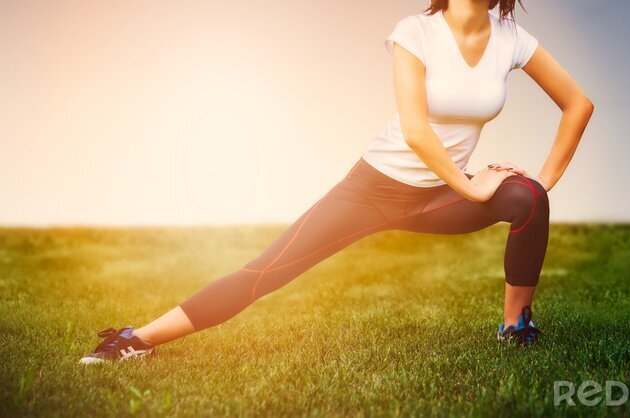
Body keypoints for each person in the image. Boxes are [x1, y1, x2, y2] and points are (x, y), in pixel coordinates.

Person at [79, 0, 593, 364]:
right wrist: (470, 184)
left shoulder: (512, 39)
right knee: (267, 272)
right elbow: (416, 131)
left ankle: (514, 328)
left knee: (527, 199)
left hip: (438, 196)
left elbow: (578, 104)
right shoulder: (416, 32)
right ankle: (134, 340)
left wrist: (542, 182)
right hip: (374, 188)